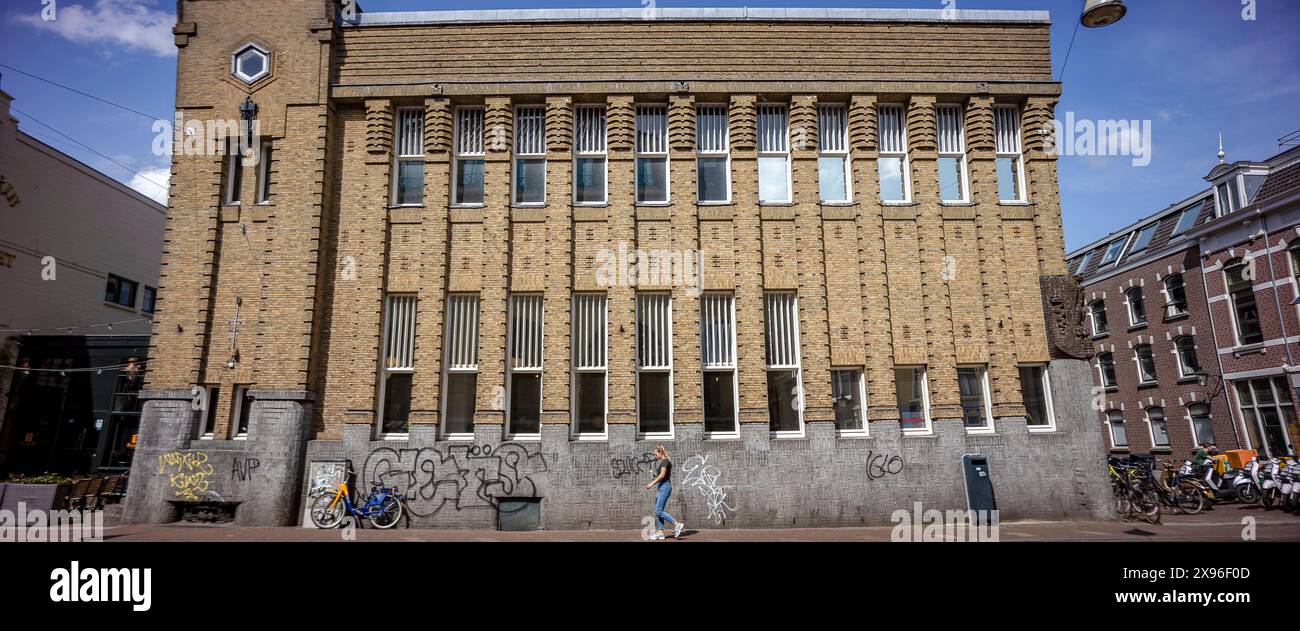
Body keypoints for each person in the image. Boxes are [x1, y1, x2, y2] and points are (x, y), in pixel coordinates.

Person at [644, 445, 684, 540]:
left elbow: (662, 475)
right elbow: (661, 476)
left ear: (660, 452)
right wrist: (654, 475)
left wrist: (651, 484)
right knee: (658, 510)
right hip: (662, 486)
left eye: (655, 454)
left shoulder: (665, 461)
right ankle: (660, 533)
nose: (655, 456)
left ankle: (676, 524)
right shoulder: (664, 461)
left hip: (665, 487)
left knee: (658, 510)